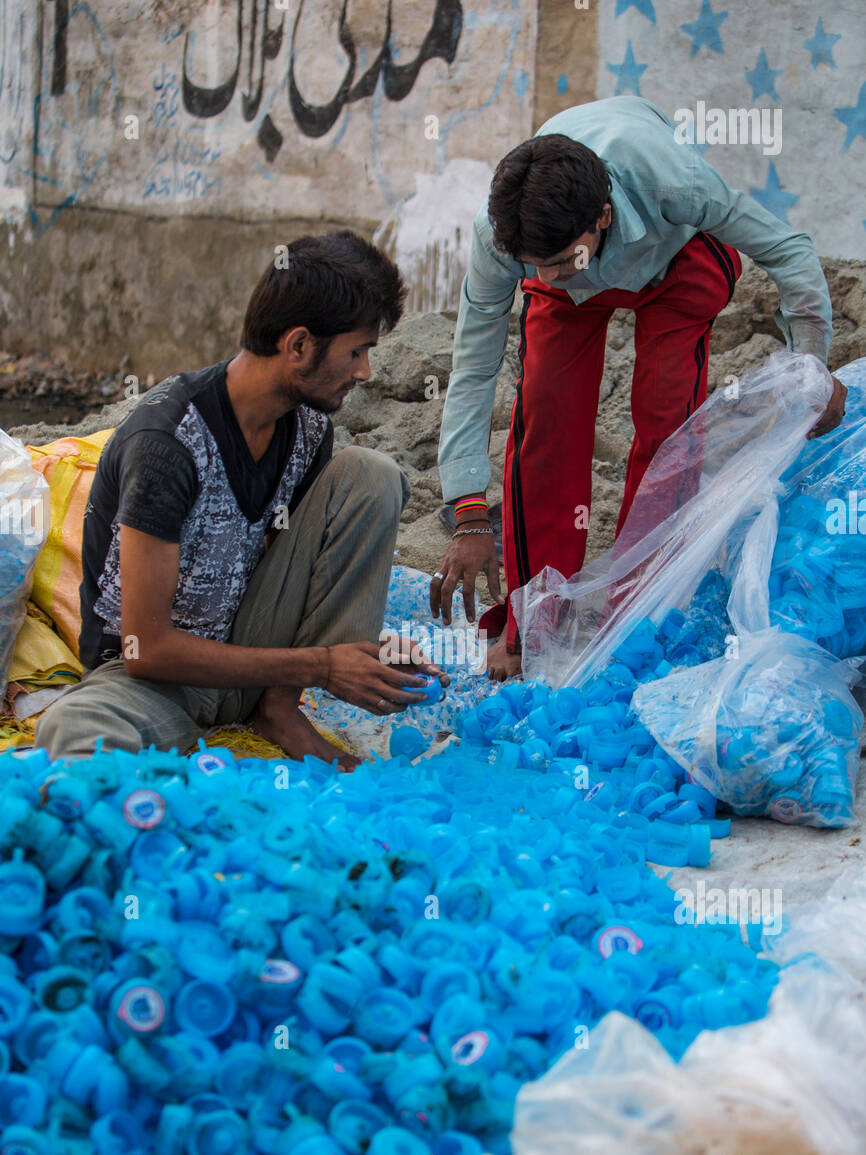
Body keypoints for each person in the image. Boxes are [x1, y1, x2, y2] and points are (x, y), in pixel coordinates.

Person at [431, 95, 847, 680]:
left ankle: (637, 615)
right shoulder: (510, 241)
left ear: (602, 216)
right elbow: (473, 368)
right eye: (533, 265)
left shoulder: (673, 181)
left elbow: (788, 250)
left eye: (557, 259)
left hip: (675, 254)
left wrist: (812, 367)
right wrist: (471, 514)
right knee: (547, 418)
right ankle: (535, 621)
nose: (544, 277)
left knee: (668, 422)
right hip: (575, 258)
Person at [37, 231, 445, 767]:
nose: (364, 372)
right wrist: (321, 665)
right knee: (74, 728)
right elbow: (148, 650)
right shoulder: (167, 445)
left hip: (257, 656)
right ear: (299, 345)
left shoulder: (306, 428)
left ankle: (277, 710)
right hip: (161, 680)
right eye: (357, 351)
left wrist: (353, 661)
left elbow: (290, 569)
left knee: (371, 474)